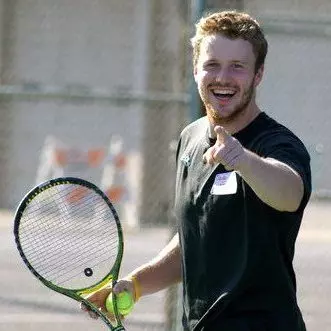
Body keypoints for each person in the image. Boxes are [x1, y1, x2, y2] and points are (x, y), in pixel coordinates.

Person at [82, 10, 311, 331]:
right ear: (195, 69)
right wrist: (135, 285)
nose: (223, 78)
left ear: (258, 75)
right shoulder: (190, 139)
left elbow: (289, 193)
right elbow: (195, 241)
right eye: (212, 65)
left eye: (238, 67)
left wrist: (242, 159)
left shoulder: (276, 143)